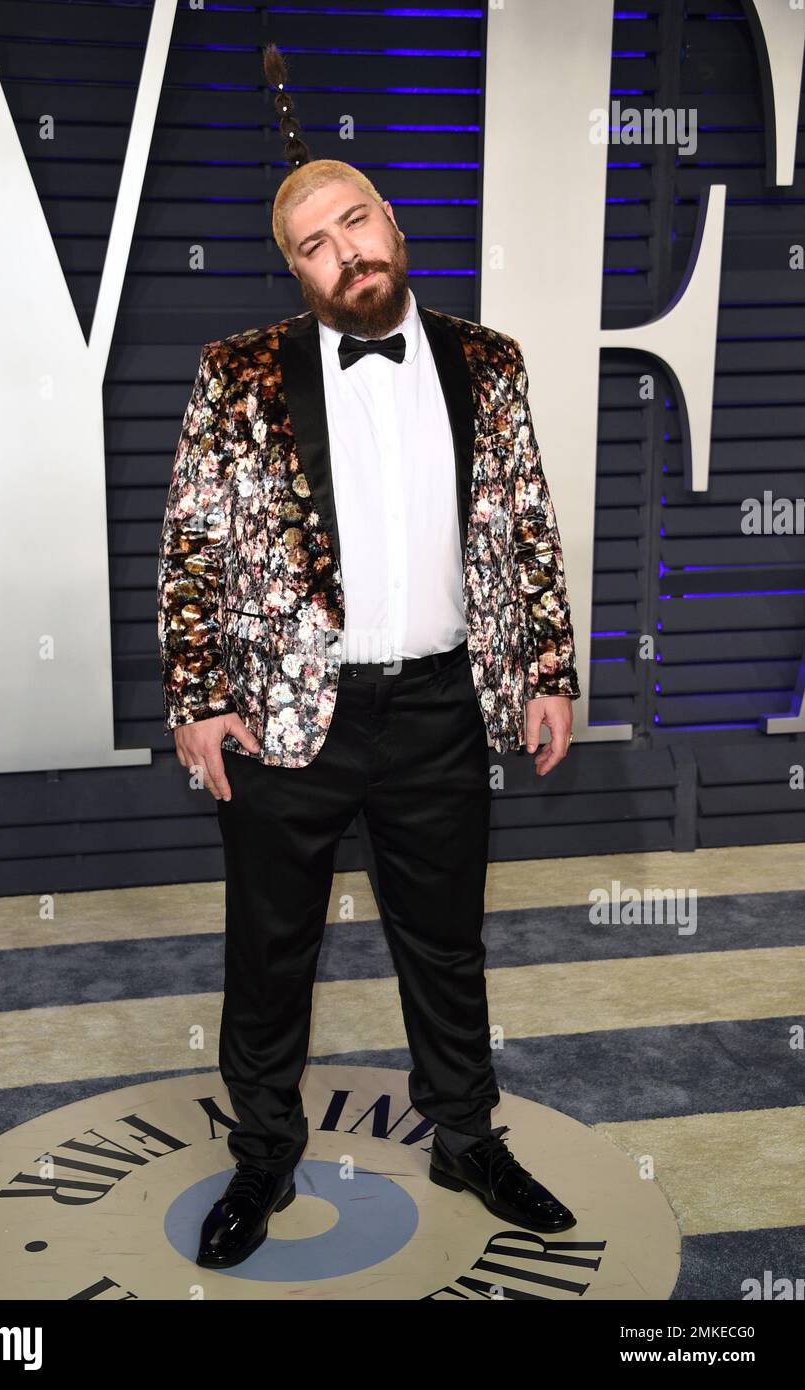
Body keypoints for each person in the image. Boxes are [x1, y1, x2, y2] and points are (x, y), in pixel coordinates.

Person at [158, 115, 581, 1271]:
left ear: (392, 223)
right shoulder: (237, 370)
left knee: (444, 944)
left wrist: (545, 669)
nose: (342, 250)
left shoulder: (487, 360)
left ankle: (462, 1136)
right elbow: (193, 546)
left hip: (443, 706)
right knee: (271, 946)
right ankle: (261, 1153)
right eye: (311, 243)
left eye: (354, 221)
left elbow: (524, 524)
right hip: (286, 718)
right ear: (294, 270)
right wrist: (195, 698)